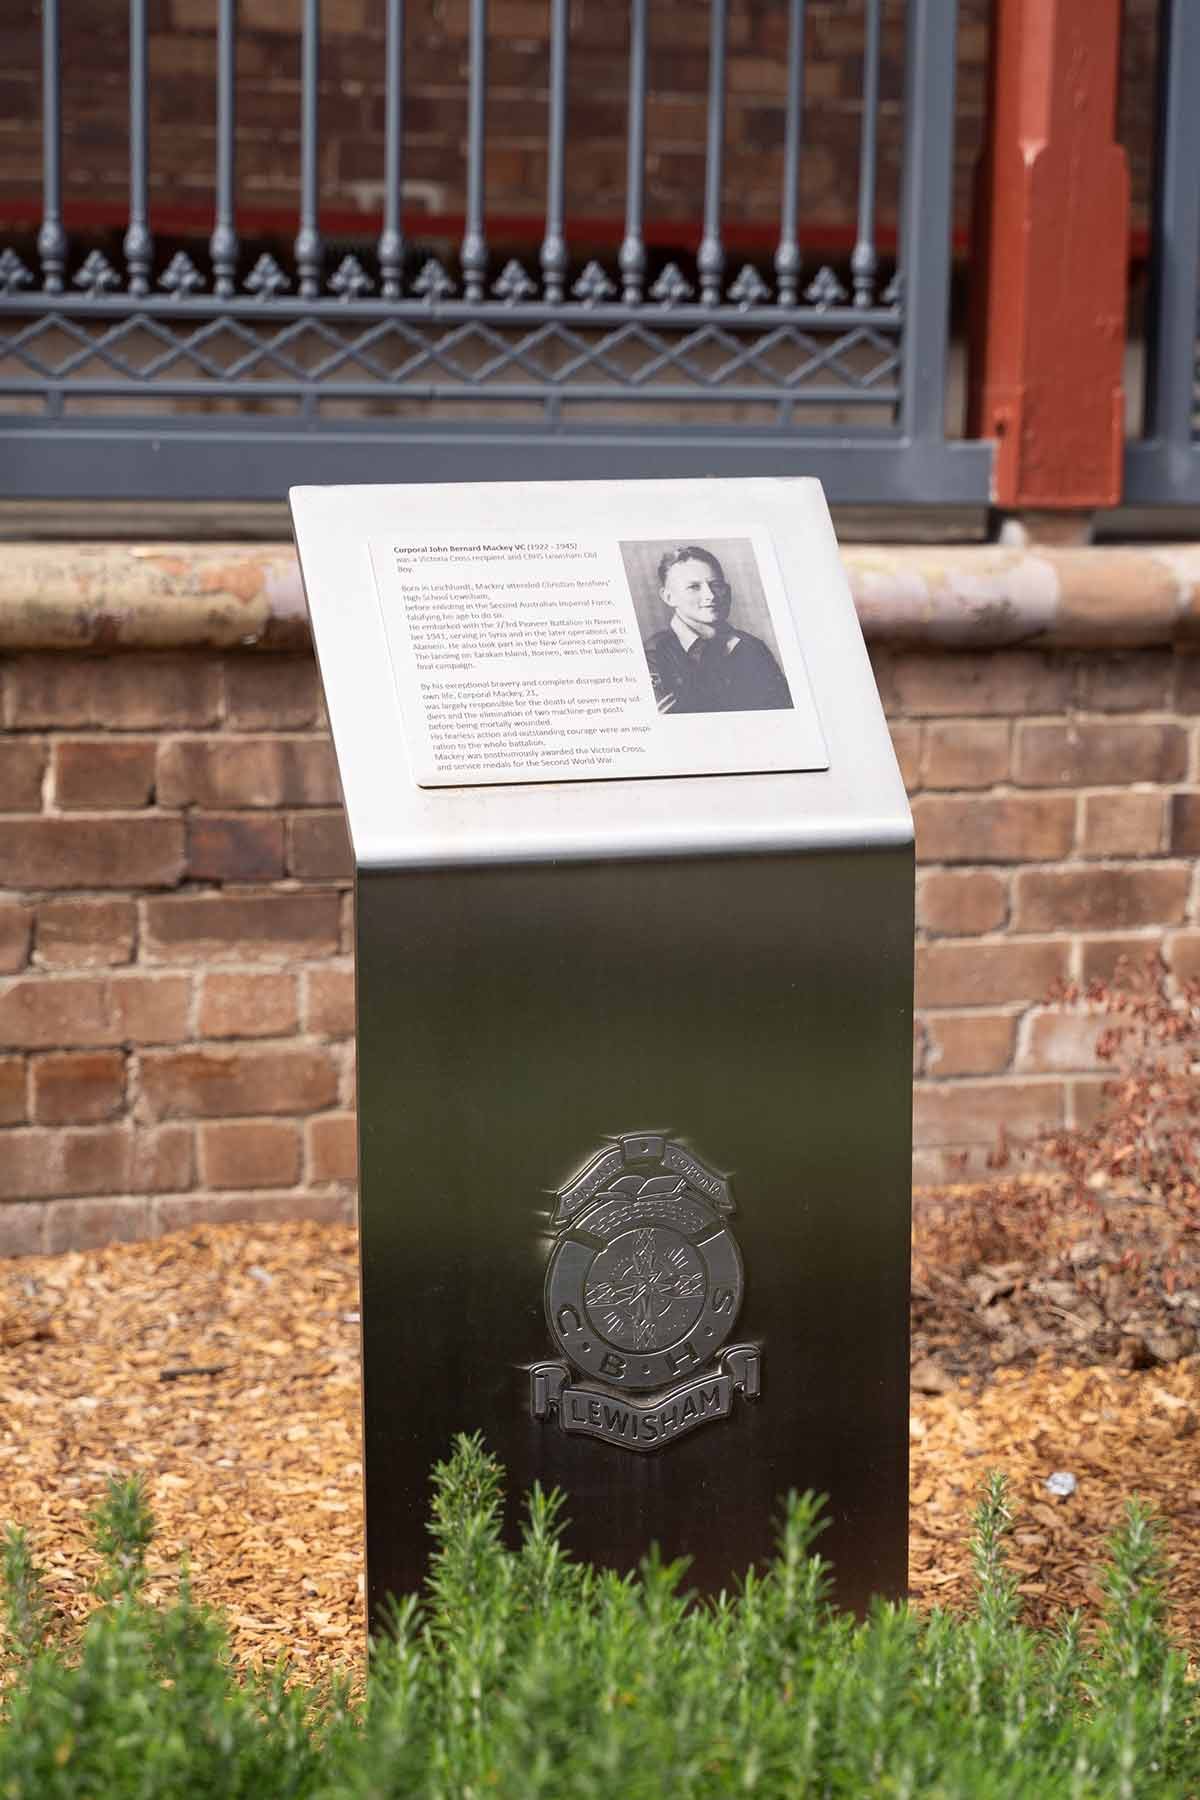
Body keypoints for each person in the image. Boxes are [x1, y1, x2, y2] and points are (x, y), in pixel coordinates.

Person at [642, 545, 793, 715]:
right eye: (694, 587)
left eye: (716, 585)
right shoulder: (654, 655)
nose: (711, 595)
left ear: (727, 591)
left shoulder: (752, 647)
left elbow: (783, 710)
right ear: (669, 597)